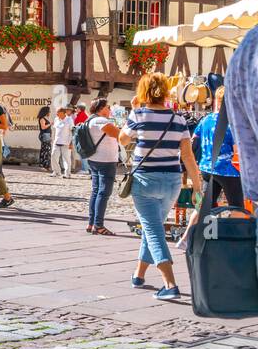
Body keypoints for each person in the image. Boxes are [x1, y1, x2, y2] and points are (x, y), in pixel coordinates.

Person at [120, 73, 200, 300]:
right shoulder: (179, 119)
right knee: (152, 226)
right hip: (172, 182)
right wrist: (196, 185)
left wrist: (133, 111)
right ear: (166, 90)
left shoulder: (138, 114)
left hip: (145, 180)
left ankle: (170, 284)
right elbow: (187, 156)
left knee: (154, 231)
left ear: (143, 91)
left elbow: (123, 141)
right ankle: (139, 274)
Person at [194, 87, 242, 209]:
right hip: (227, 171)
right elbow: (238, 153)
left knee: (204, 208)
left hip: (207, 168)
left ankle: (192, 228)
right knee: (237, 208)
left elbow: (193, 140)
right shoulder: (232, 124)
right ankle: (236, 228)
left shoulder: (206, 119)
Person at [83, 99, 121, 236]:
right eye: (108, 107)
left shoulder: (91, 120)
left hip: (95, 159)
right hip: (105, 161)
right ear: (101, 108)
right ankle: (98, 225)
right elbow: (118, 134)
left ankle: (92, 222)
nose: (110, 109)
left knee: (96, 191)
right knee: (104, 193)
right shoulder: (100, 121)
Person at [50, 107, 75, 179]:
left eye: (58, 112)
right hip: (56, 142)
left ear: (64, 113)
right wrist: (53, 139)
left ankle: (67, 174)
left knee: (66, 159)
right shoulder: (56, 119)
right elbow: (55, 130)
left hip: (66, 142)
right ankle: (56, 172)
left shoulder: (69, 120)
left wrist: (71, 143)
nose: (57, 114)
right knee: (53, 156)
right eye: (57, 112)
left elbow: (73, 131)